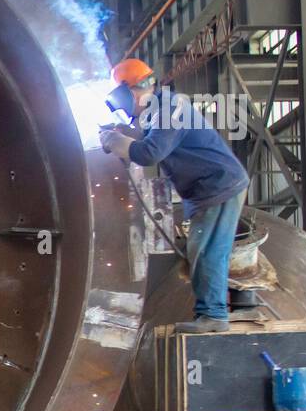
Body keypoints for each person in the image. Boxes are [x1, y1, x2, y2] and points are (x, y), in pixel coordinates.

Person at [99, 58, 251, 333]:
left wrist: (114, 141)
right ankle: (213, 313)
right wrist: (125, 133)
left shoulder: (169, 109)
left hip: (218, 186)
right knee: (202, 249)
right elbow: (152, 139)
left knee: (206, 250)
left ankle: (214, 317)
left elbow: (150, 153)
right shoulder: (162, 109)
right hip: (206, 190)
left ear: (128, 91)